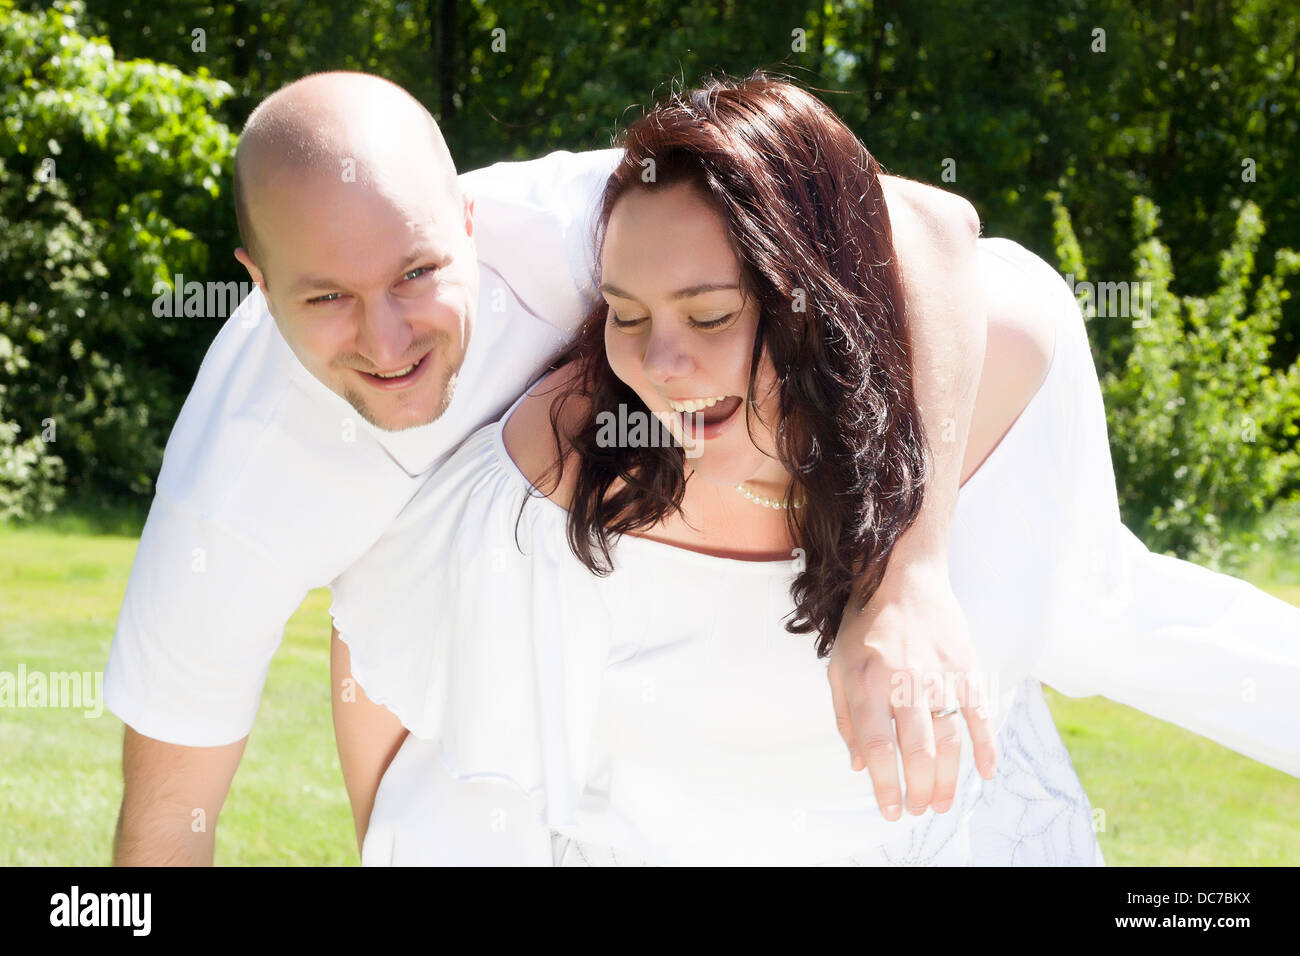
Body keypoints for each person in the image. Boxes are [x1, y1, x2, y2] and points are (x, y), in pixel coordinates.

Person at [329, 72, 1300, 866]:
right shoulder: (576, 450)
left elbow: (939, 225)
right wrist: (382, 840)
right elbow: (380, 646)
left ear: (818, 293)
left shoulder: (1002, 351)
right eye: (626, 313)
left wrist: (905, 568)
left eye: (710, 314)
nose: (659, 363)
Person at [103, 71, 992, 865]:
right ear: (257, 283)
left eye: (416, 273)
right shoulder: (229, 498)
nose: (387, 340)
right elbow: (168, 821)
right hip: (452, 719)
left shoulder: (594, 225)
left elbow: (932, 223)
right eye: (328, 297)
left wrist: (909, 572)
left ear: (469, 221)